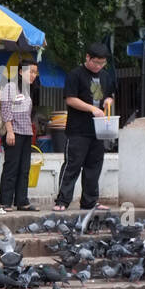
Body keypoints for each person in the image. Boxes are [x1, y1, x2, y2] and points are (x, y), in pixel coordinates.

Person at [54, 42, 115, 211]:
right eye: (96, 62)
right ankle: (62, 201)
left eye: (102, 63)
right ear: (87, 57)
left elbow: (109, 96)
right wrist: (91, 108)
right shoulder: (76, 74)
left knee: (94, 166)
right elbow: (70, 99)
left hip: (99, 130)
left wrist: (109, 101)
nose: (98, 66)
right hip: (78, 129)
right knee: (72, 165)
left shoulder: (105, 76)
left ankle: (90, 201)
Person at [0, 62, 38, 210]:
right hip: (14, 132)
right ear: (20, 72)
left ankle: (22, 201)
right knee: (11, 167)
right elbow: (6, 109)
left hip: (26, 133)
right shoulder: (11, 87)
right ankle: (5, 202)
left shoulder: (28, 90)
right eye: (30, 72)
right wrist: (9, 131)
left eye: (35, 72)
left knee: (24, 168)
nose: (33, 75)